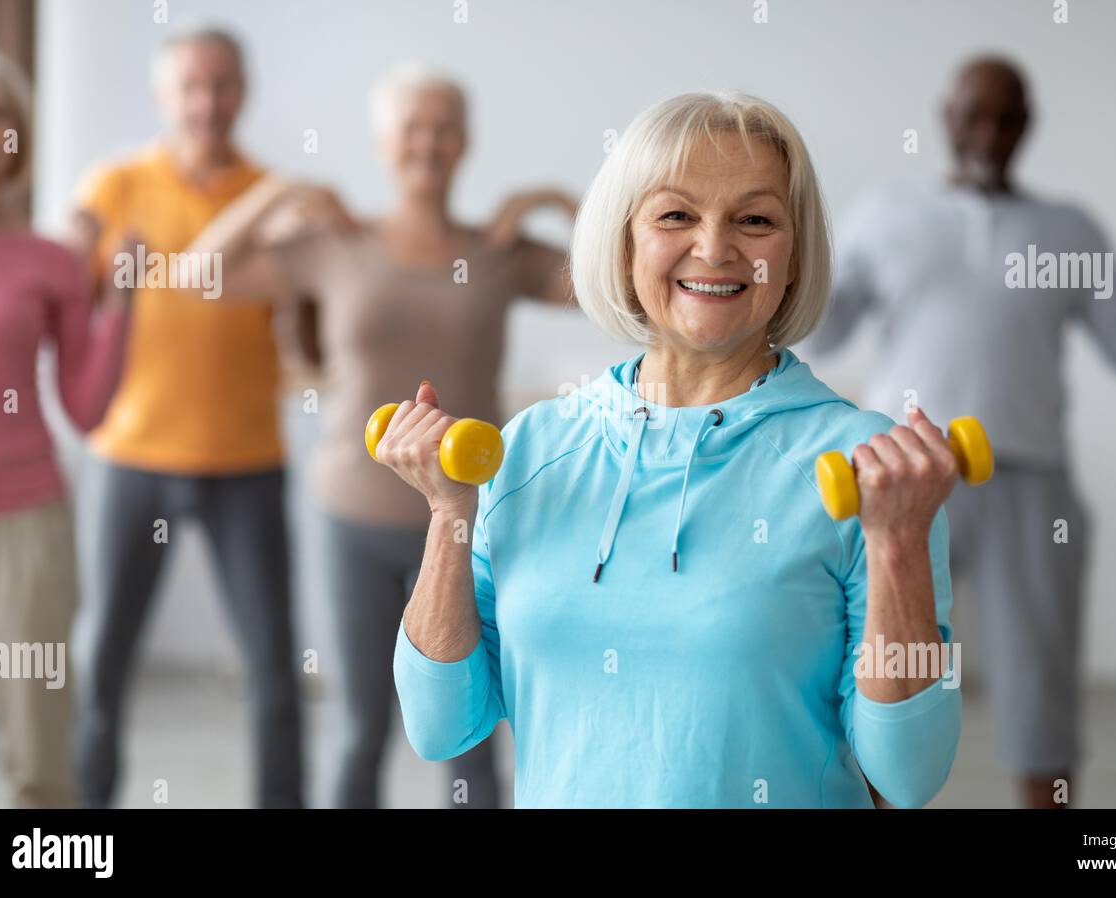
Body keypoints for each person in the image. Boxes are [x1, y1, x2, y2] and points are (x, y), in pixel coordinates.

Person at [378, 91, 963, 808]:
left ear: (794, 255)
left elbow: (907, 775)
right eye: (676, 214)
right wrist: (449, 512)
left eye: (755, 220)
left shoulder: (868, 465)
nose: (715, 248)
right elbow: (440, 728)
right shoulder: (529, 449)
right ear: (625, 243)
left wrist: (897, 545)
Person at [800, 56, 1116, 808]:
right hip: (908, 479)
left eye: (1007, 116)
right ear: (945, 116)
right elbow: (822, 339)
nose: (989, 131)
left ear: (1028, 124)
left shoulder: (1067, 229)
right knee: (890, 663)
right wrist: (796, 261)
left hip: (1032, 482)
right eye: (974, 114)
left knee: (1039, 679)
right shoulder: (885, 215)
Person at [184, 62, 577, 808]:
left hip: (475, 523)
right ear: (381, 142)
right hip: (354, 517)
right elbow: (196, 272)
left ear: (465, 143)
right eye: (411, 128)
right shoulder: (336, 242)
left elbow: (628, 286)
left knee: (468, 736)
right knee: (362, 727)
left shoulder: (497, 249)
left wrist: (556, 202)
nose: (427, 144)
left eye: (444, 128)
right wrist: (274, 194)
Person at [68, 27, 304, 808]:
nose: (208, 102)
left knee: (274, 670)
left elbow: (301, 319)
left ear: (244, 91)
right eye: (192, 86)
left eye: (223, 84)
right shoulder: (114, 186)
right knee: (103, 657)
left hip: (247, 462)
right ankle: (81, 830)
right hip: (132, 456)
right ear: (165, 96)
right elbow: (69, 296)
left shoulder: (271, 195)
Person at [0, 47, 130, 807]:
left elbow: (87, 408)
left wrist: (122, 302)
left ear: (17, 137)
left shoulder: (52, 261)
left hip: (26, 520)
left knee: (38, 759)